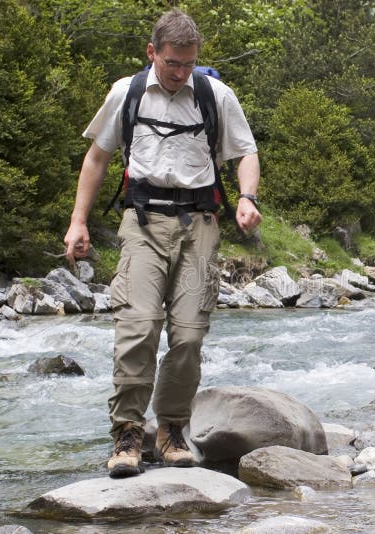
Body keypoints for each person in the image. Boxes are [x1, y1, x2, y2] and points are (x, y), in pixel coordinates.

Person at [63, 8, 261, 478]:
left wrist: (247, 197)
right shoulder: (125, 93)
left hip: (200, 226)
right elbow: (97, 158)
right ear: (152, 53)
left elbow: (246, 151)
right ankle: (127, 436)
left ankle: (172, 429)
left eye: (188, 64)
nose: (179, 72)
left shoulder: (215, 94)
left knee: (189, 334)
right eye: (172, 63)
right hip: (143, 223)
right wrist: (78, 221)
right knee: (139, 327)